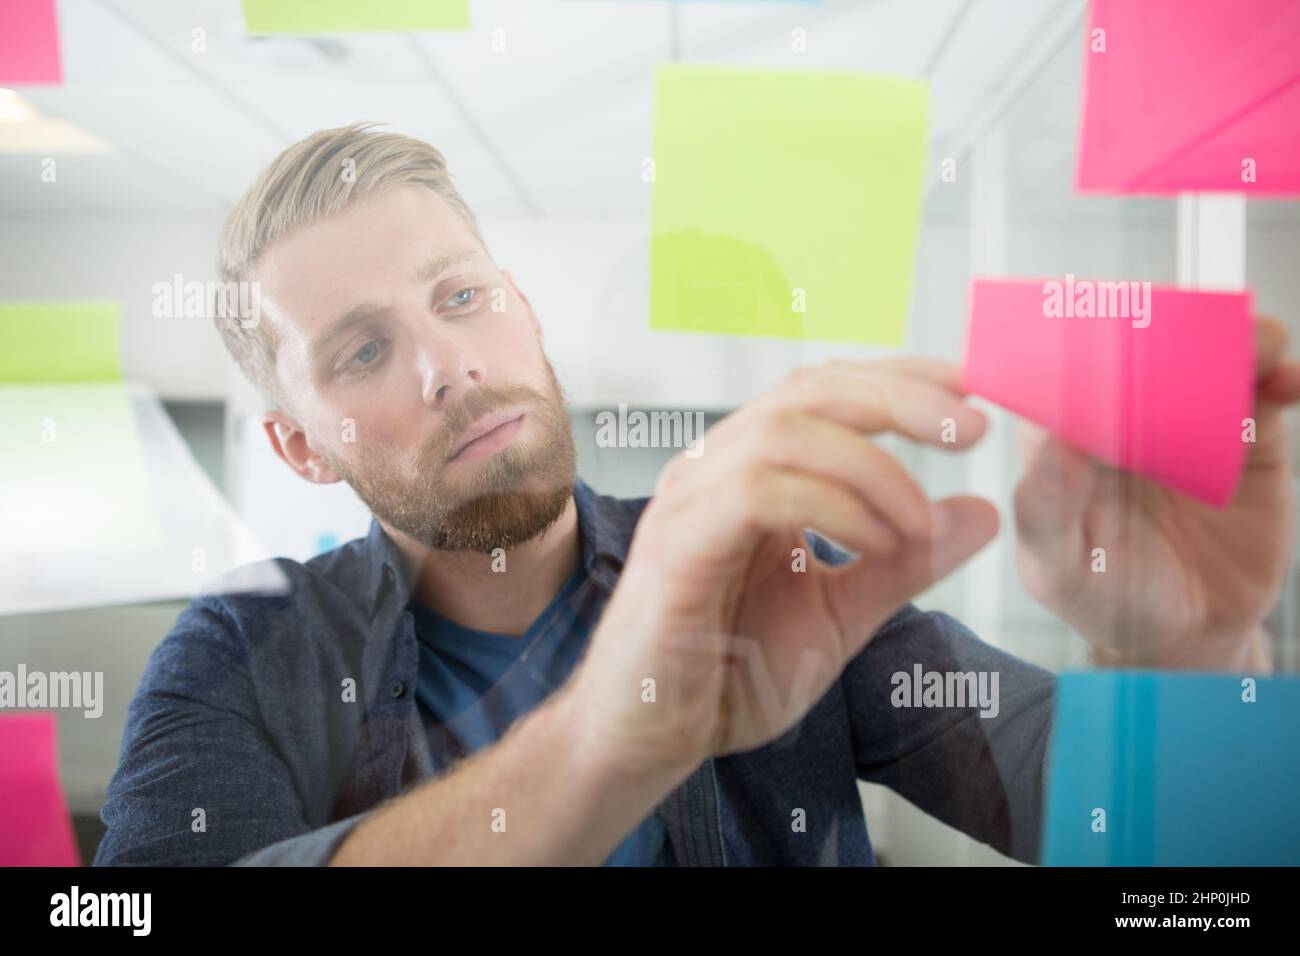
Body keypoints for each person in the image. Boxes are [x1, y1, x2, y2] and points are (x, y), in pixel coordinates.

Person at [94, 122, 1300, 866]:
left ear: (522, 308)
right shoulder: (235, 652)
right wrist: (614, 733)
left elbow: (1124, 824)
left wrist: (1194, 653)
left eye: (460, 298)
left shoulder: (775, 573)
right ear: (300, 447)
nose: (446, 364)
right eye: (361, 350)